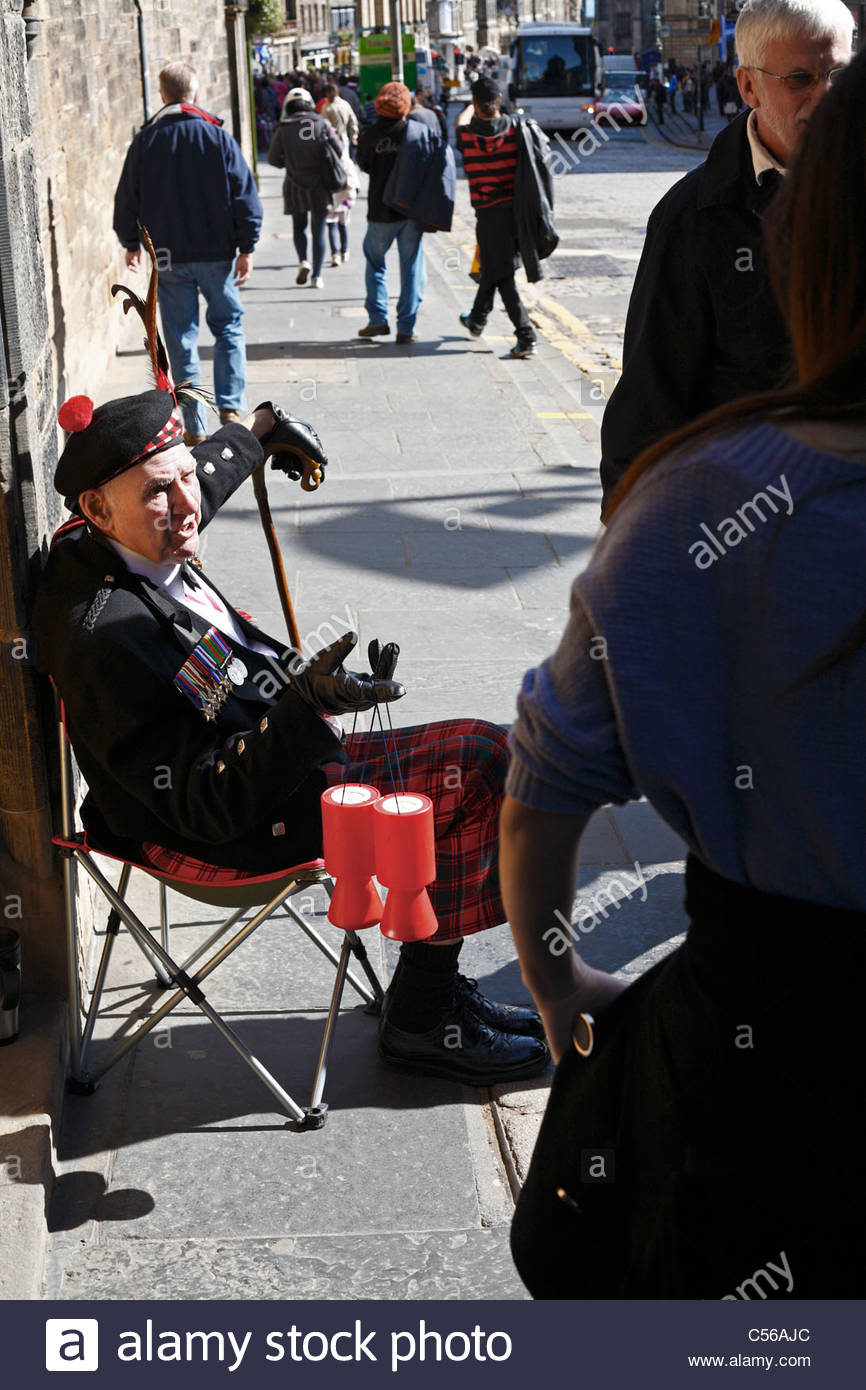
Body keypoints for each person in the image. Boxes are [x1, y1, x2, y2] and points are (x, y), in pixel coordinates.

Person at [501, 45, 866, 1299]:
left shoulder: (703, 500)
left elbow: (542, 785)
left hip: (763, 1054)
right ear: (748, 80)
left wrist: (558, 990)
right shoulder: (685, 215)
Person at [34, 268, 548, 1090]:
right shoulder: (110, 638)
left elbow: (201, 472)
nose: (185, 506)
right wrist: (304, 709)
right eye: (158, 495)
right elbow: (202, 802)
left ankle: (432, 984)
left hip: (276, 753)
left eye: (185, 484)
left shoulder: (131, 525)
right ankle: (423, 1015)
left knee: (486, 754)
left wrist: (261, 432)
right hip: (227, 827)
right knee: (482, 769)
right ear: (95, 510)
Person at [599, 0, 854, 506]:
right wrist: (639, 542)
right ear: (748, 86)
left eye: (840, 75)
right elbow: (653, 399)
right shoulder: (692, 217)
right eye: (801, 79)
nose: (825, 97)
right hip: (750, 532)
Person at [113, 62, 263, 447]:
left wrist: (130, 242)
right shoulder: (217, 138)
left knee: (180, 338)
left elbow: (128, 197)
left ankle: (195, 423)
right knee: (228, 326)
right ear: (194, 94)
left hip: (167, 257)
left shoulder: (145, 142)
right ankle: (231, 406)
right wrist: (247, 245)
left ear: (163, 95)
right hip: (216, 252)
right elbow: (245, 195)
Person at [456, 75, 537, 360]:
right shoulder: (514, 131)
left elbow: (461, 122)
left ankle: (526, 335)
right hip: (513, 213)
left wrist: (470, 106)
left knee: (502, 276)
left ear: (476, 104)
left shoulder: (467, 136)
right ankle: (477, 318)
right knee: (494, 268)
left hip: (487, 215)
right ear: (499, 100)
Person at [356, 83, 428, 345]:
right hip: (410, 211)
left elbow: (363, 164)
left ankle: (377, 319)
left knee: (375, 263)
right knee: (411, 267)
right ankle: (406, 326)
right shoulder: (417, 132)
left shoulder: (369, 134)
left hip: (380, 211)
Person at [267, 87, 345, 290]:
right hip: (320, 185)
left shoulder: (283, 128)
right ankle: (317, 277)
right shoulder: (322, 123)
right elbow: (339, 150)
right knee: (318, 231)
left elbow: (273, 159)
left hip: (294, 184)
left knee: (298, 227)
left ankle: (303, 260)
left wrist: (289, 161)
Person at [320, 80, 359, 151]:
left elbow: (324, 125)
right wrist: (354, 136)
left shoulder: (326, 107)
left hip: (332, 141)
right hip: (344, 139)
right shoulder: (345, 104)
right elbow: (353, 121)